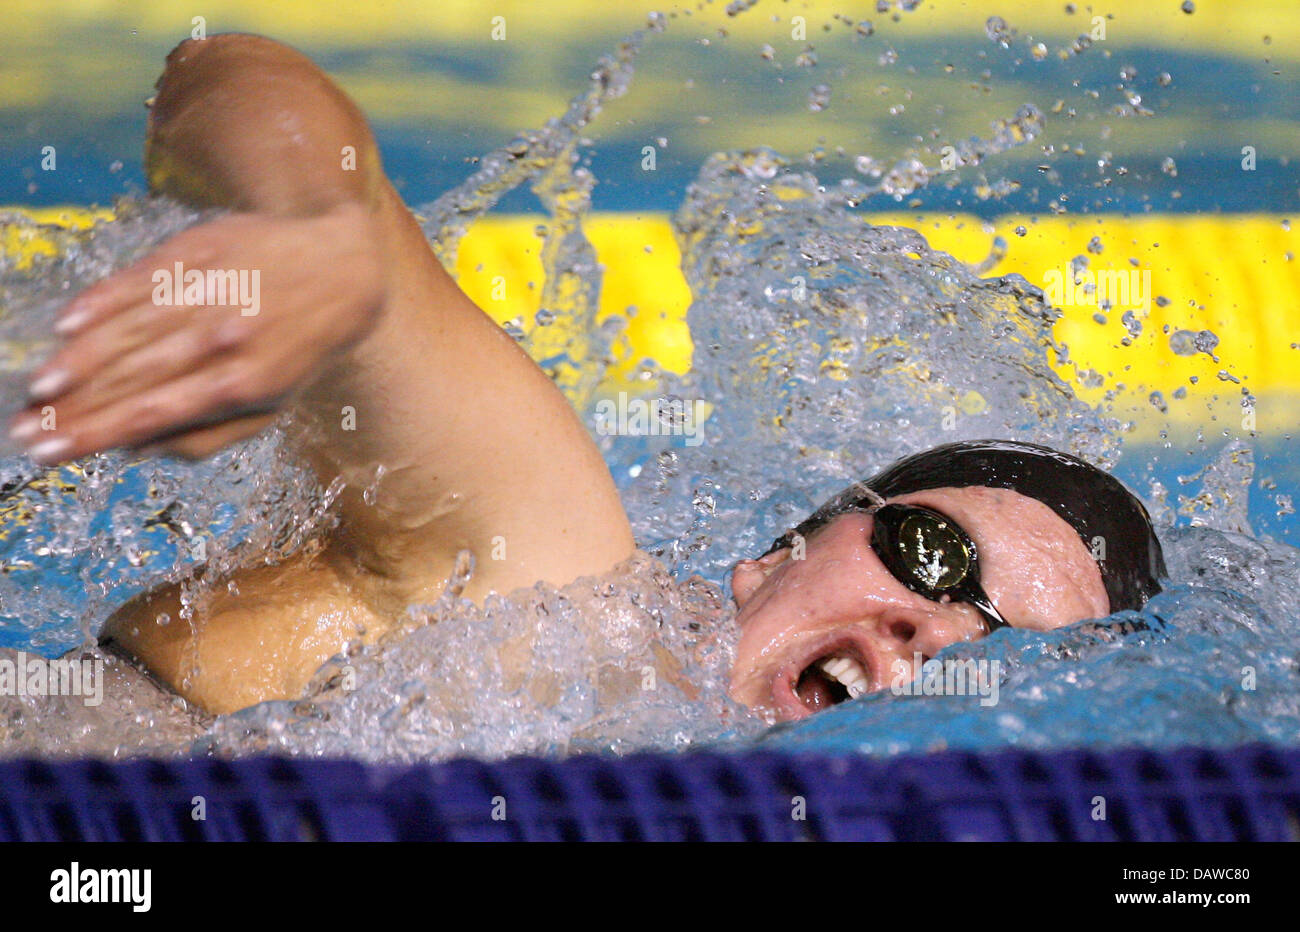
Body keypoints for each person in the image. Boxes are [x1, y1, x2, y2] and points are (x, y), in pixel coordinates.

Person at [7, 35, 1165, 721]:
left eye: (1009, 646)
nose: (935, 627)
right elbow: (236, 80)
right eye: (934, 553)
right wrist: (312, 237)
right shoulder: (541, 597)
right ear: (773, 560)